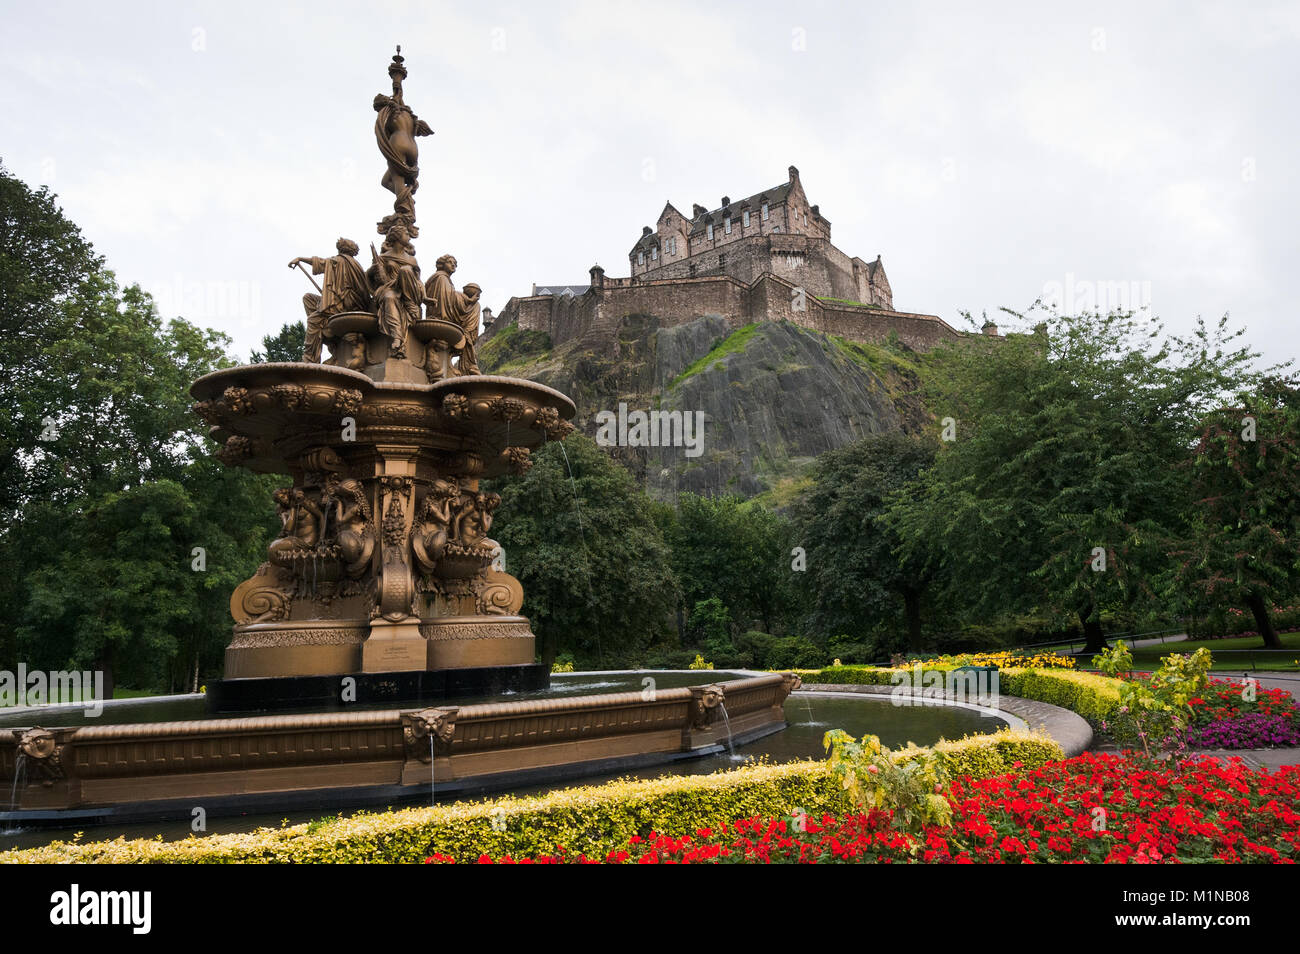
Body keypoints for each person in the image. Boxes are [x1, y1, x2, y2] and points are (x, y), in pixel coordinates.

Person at [288, 238, 370, 362]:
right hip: (342, 301)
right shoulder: (353, 263)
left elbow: (321, 262)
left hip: (342, 304)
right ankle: (325, 329)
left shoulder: (339, 261)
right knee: (309, 298)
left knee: (313, 320)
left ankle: (310, 360)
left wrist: (300, 259)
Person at [424, 255, 482, 374]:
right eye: (450, 262)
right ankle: (468, 358)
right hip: (442, 315)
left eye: (455, 264)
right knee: (474, 306)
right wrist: (467, 300)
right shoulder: (441, 278)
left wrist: (468, 300)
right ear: (442, 264)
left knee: (476, 306)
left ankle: (469, 353)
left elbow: (452, 295)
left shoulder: (445, 280)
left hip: (449, 311)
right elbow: (448, 297)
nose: (453, 266)